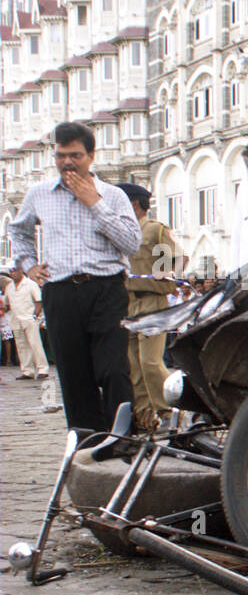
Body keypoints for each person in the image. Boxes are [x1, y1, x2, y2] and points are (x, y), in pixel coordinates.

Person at [8, 122, 141, 433]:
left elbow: (131, 243)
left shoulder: (113, 195)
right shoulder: (39, 194)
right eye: (60, 156)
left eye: (75, 155)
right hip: (61, 292)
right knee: (73, 374)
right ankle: (86, 444)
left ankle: (121, 440)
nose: (67, 162)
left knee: (113, 370)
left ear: (91, 156)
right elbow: (18, 230)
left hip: (106, 289)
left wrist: (94, 204)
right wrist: (28, 264)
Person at [119, 182, 183, 432]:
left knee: (150, 362)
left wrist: (167, 272)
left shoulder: (155, 230)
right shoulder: (122, 233)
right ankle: (145, 417)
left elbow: (177, 260)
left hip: (153, 301)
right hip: (129, 302)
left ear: (134, 204)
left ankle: (172, 407)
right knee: (134, 365)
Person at [2, 266, 49, 379]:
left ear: (20, 272)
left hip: (29, 318)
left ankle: (42, 369)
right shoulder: (9, 287)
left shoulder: (30, 284)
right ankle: (28, 371)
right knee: (22, 346)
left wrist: (34, 316)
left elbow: (39, 301)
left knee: (35, 344)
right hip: (15, 319)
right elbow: (7, 304)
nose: (12, 274)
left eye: (14, 271)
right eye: (11, 272)